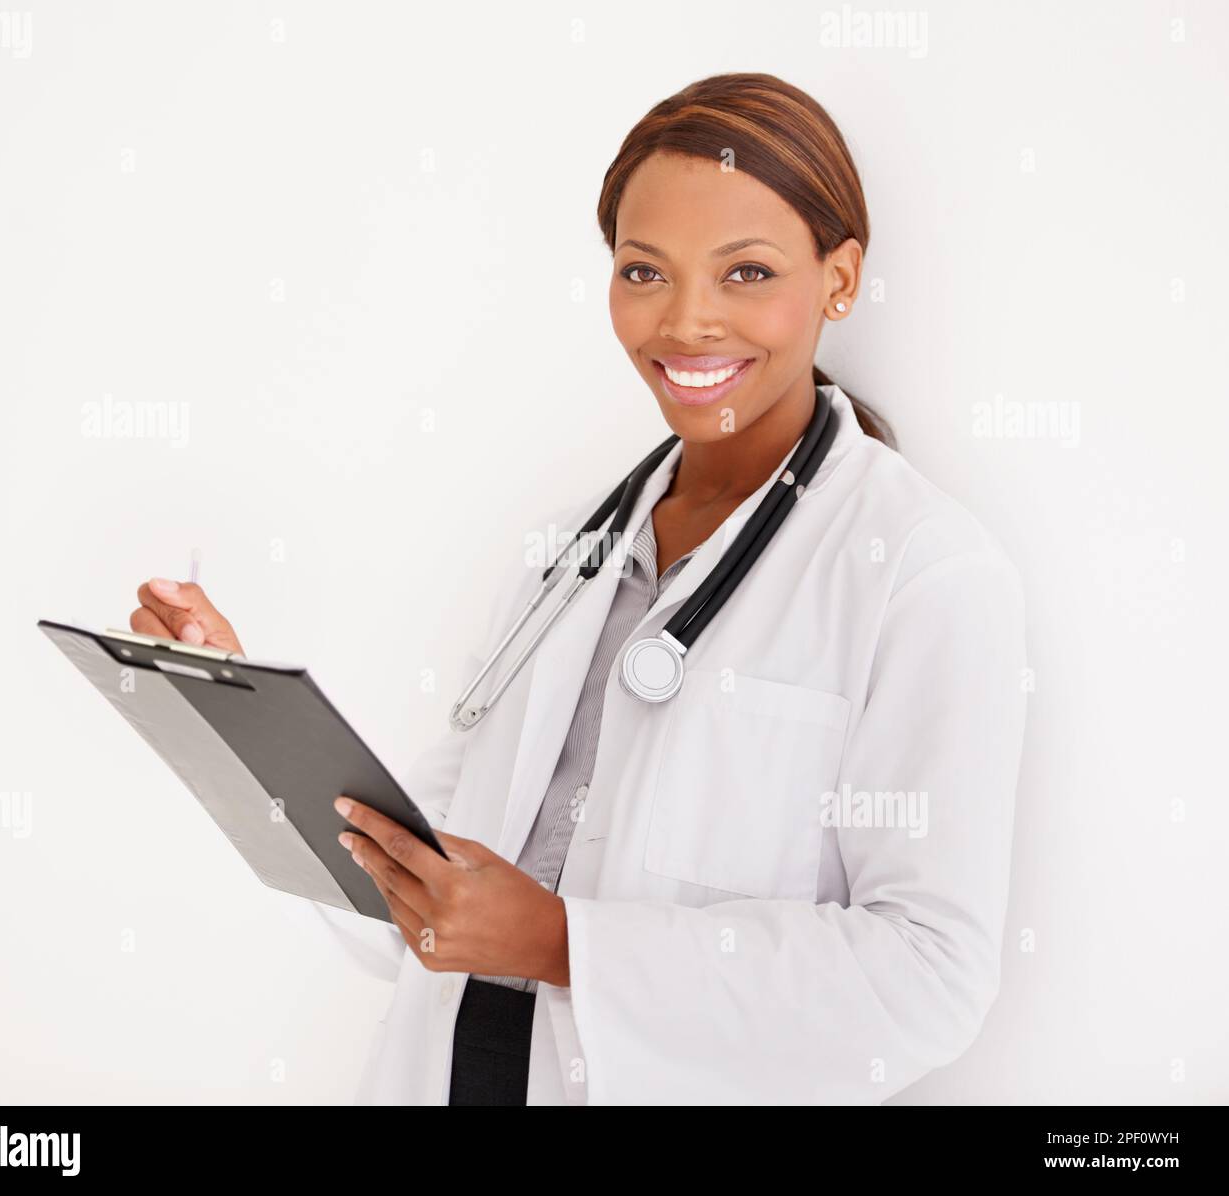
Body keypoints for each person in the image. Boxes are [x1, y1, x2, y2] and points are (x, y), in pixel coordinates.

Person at [129, 72, 1027, 1106]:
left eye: (745, 272)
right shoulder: (575, 551)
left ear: (839, 277)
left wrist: (567, 944)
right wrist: (238, 707)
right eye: (645, 270)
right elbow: (420, 891)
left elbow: (928, 977)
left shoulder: (921, 571)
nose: (687, 322)